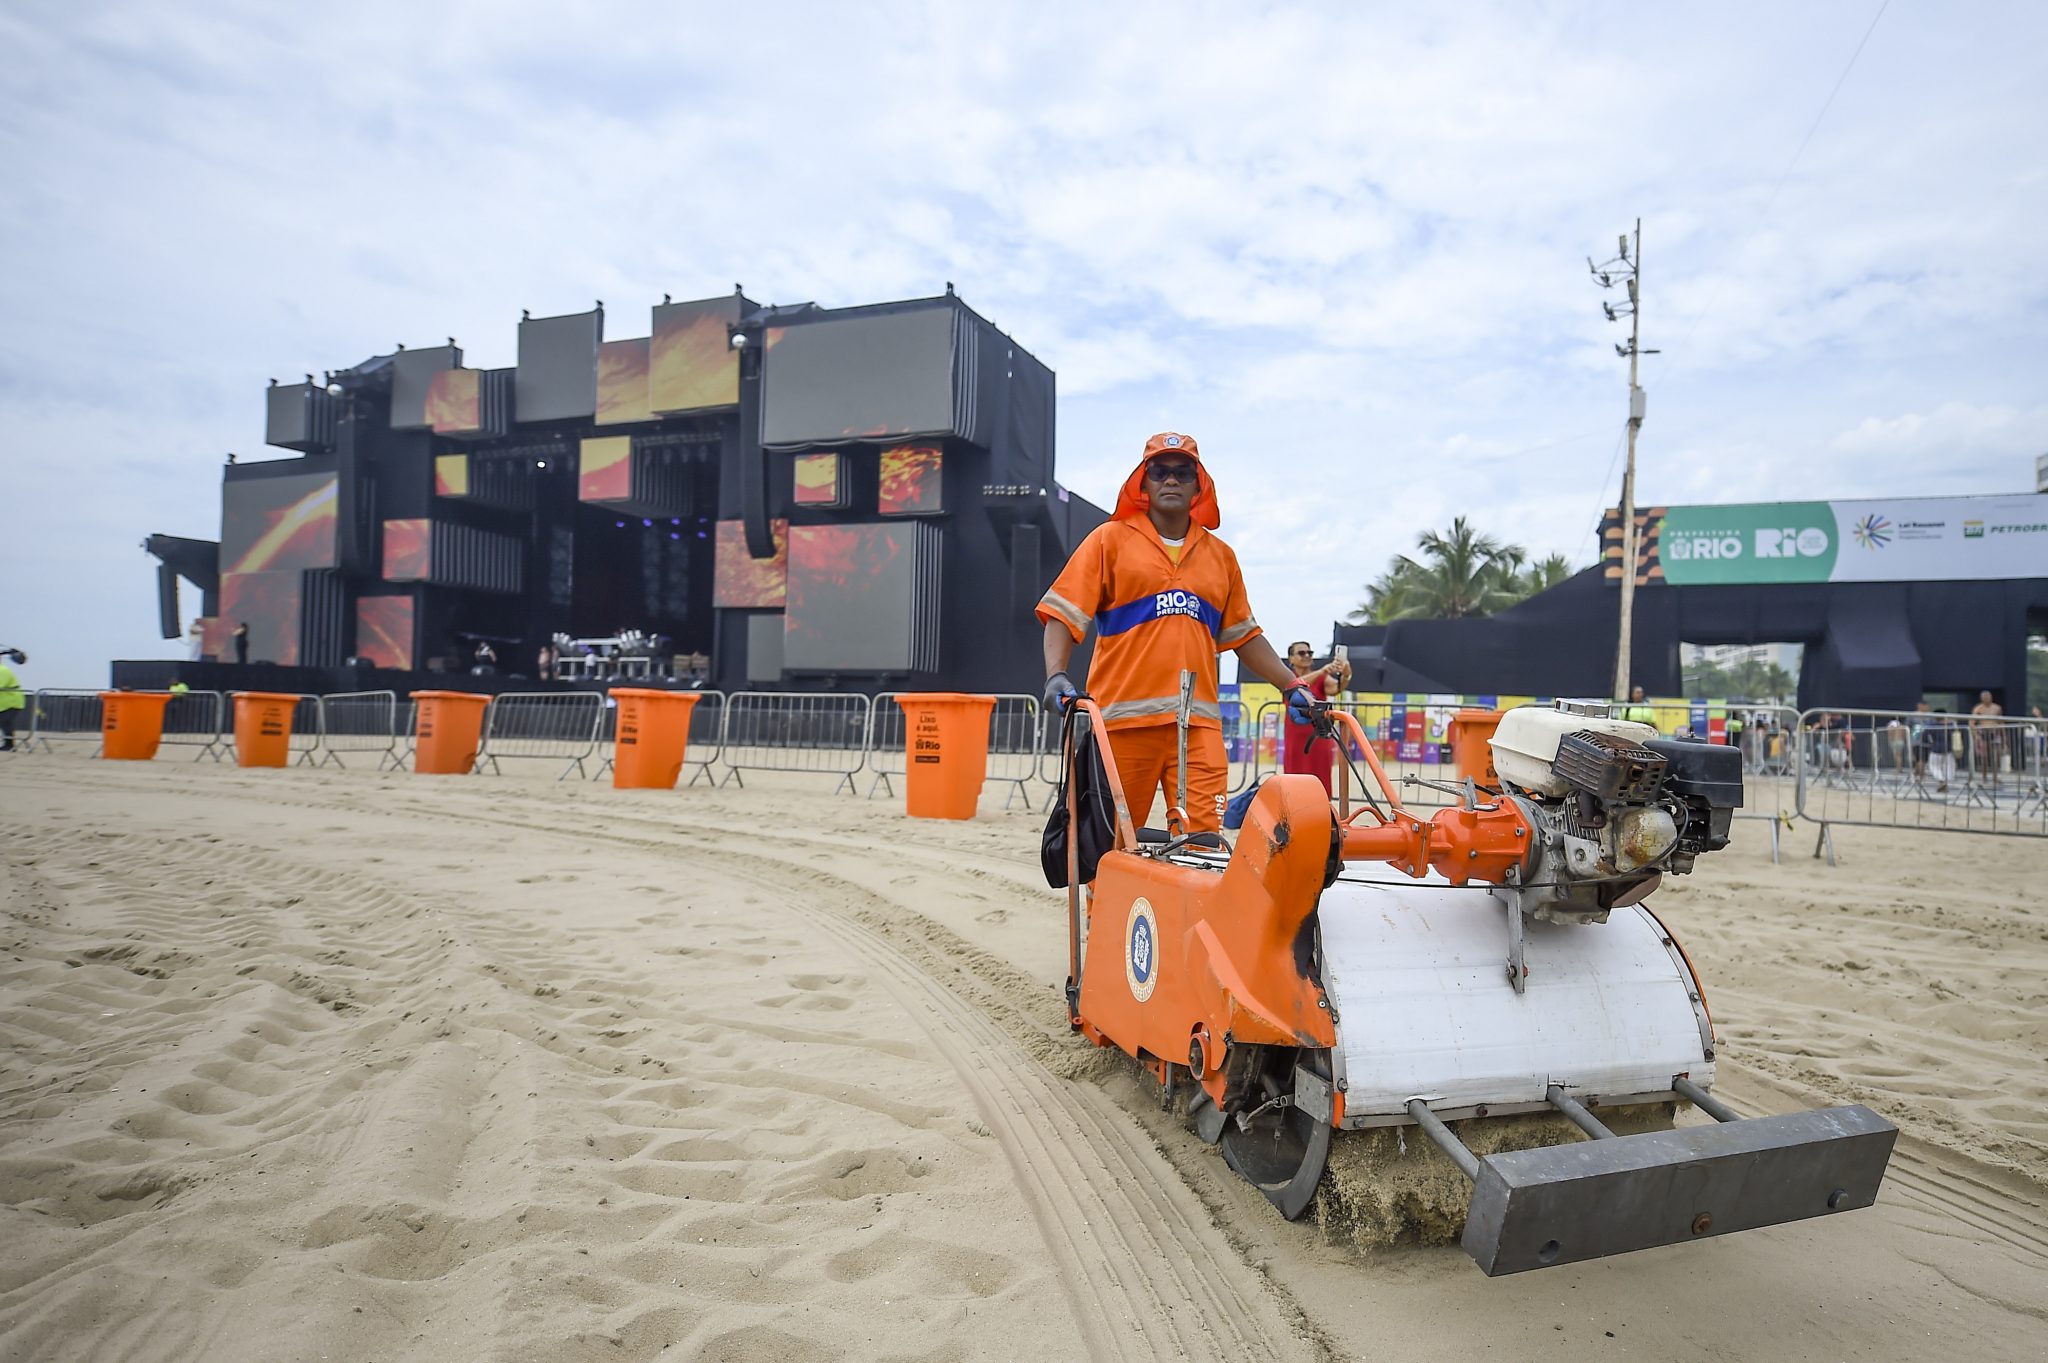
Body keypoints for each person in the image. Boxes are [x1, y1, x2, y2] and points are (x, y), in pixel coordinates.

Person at [1037, 432, 1316, 833]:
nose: (1171, 480)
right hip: (1122, 722)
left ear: (1199, 485)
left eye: (1183, 472)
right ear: (1143, 482)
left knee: (1202, 843)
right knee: (1111, 842)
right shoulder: (1108, 540)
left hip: (1198, 727)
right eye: (1159, 471)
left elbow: (1245, 636)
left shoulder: (1221, 557)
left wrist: (1290, 685)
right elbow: (1063, 614)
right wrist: (1056, 675)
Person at [1281, 642, 1351, 796]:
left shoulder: (1321, 678)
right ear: (1291, 658)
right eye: (1301, 653)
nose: (1306, 656)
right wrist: (1321, 671)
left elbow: (1336, 688)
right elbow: (1293, 686)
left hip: (1318, 736)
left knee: (1320, 776)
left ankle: (1322, 808)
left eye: (1309, 653)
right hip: (1295, 738)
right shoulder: (1286, 678)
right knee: (1294, 776)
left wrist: (1346, 674)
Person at [0, 648, 24, 752]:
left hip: (11, 701)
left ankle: (9, 744)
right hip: (4, 703)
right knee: (4, 722)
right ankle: (8, 743)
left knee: (5, 722)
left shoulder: (2, 670)